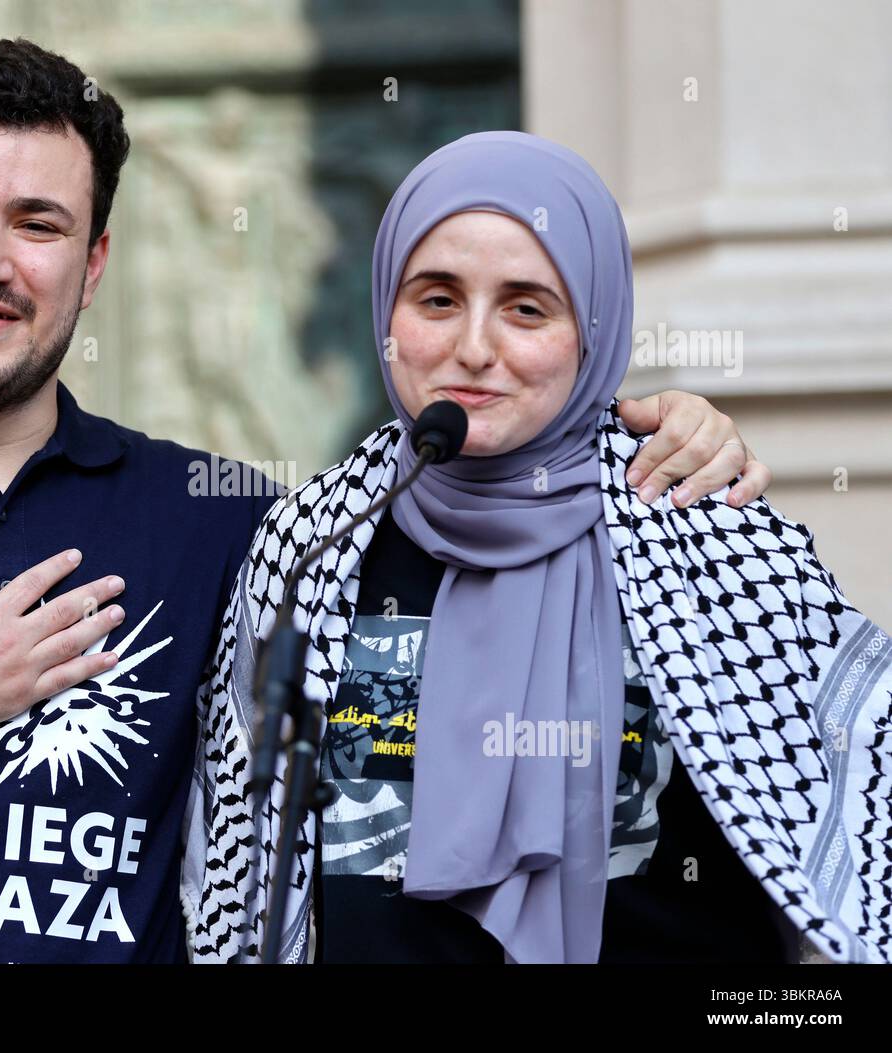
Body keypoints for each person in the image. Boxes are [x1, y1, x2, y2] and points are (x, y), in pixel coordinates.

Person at [0, 40, 772, 965]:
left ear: (96, 262)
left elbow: (478, 532)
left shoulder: (242, 532)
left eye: (38, 224)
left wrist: (635, 441)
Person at [182, 130, 892, 965]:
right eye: (437, 299)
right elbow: (233, 867)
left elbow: (856, 842)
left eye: (527, 307)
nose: (473, 348)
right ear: (384, 315)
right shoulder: (309, 544)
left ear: (592, 328)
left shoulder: (706, 525)